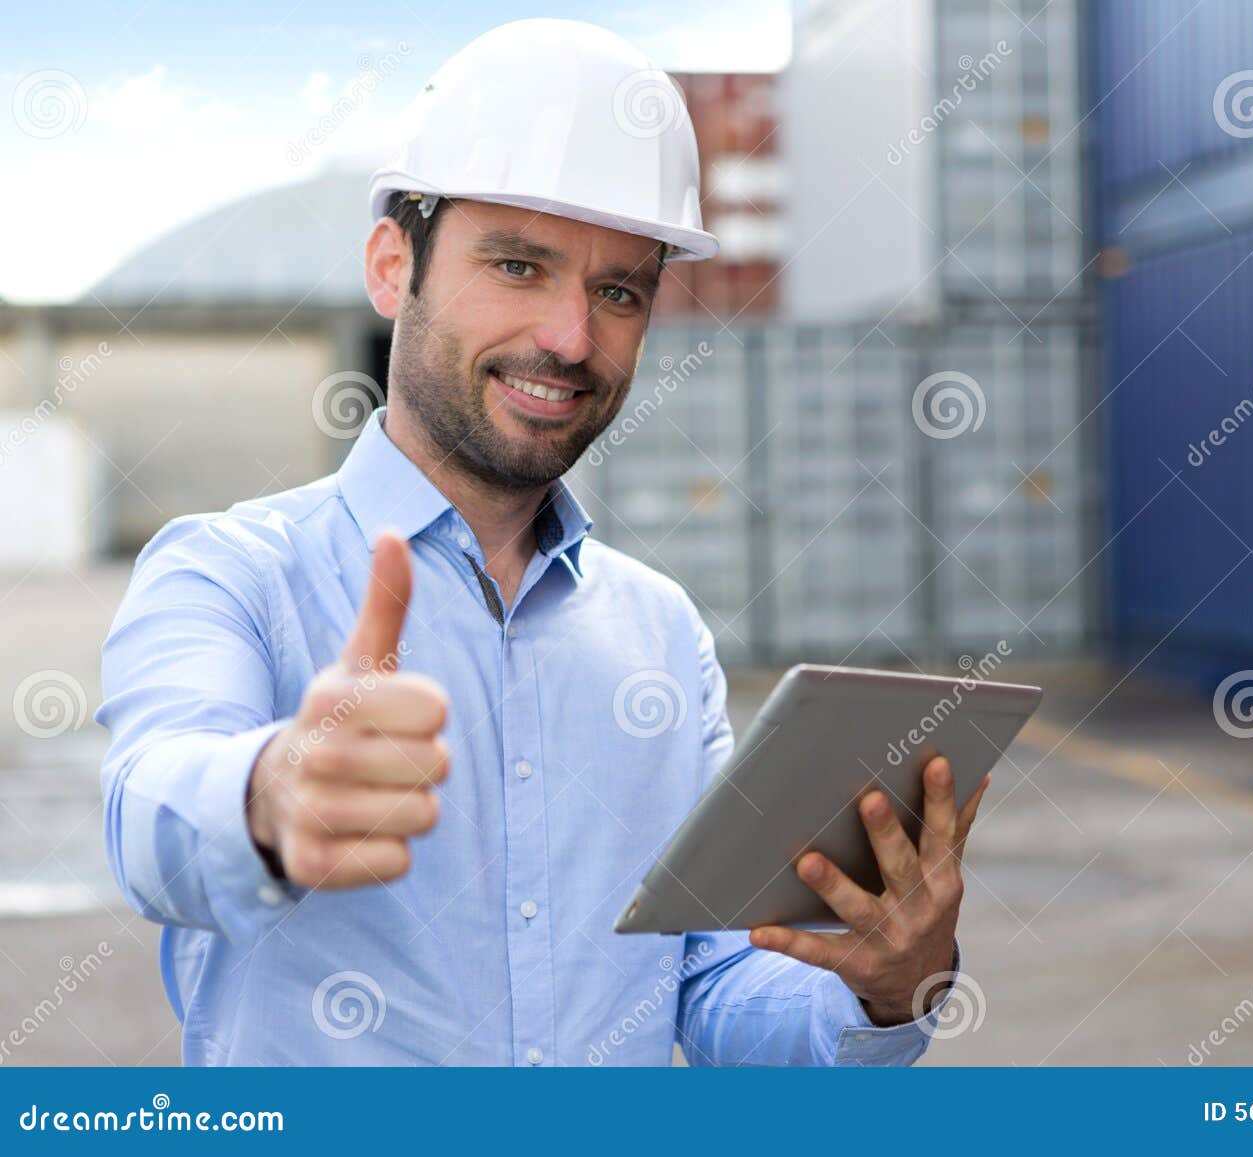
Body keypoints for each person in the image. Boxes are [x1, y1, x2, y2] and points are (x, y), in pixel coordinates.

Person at [97, 18, 986, 1066]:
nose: (570, 337)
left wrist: (879, 992)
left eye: (618, 290)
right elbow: (149, 806)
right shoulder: (229, 572)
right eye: (518, 265)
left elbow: (705, 982)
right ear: (394, 268)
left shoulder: (658, 632)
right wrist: (267, 792)